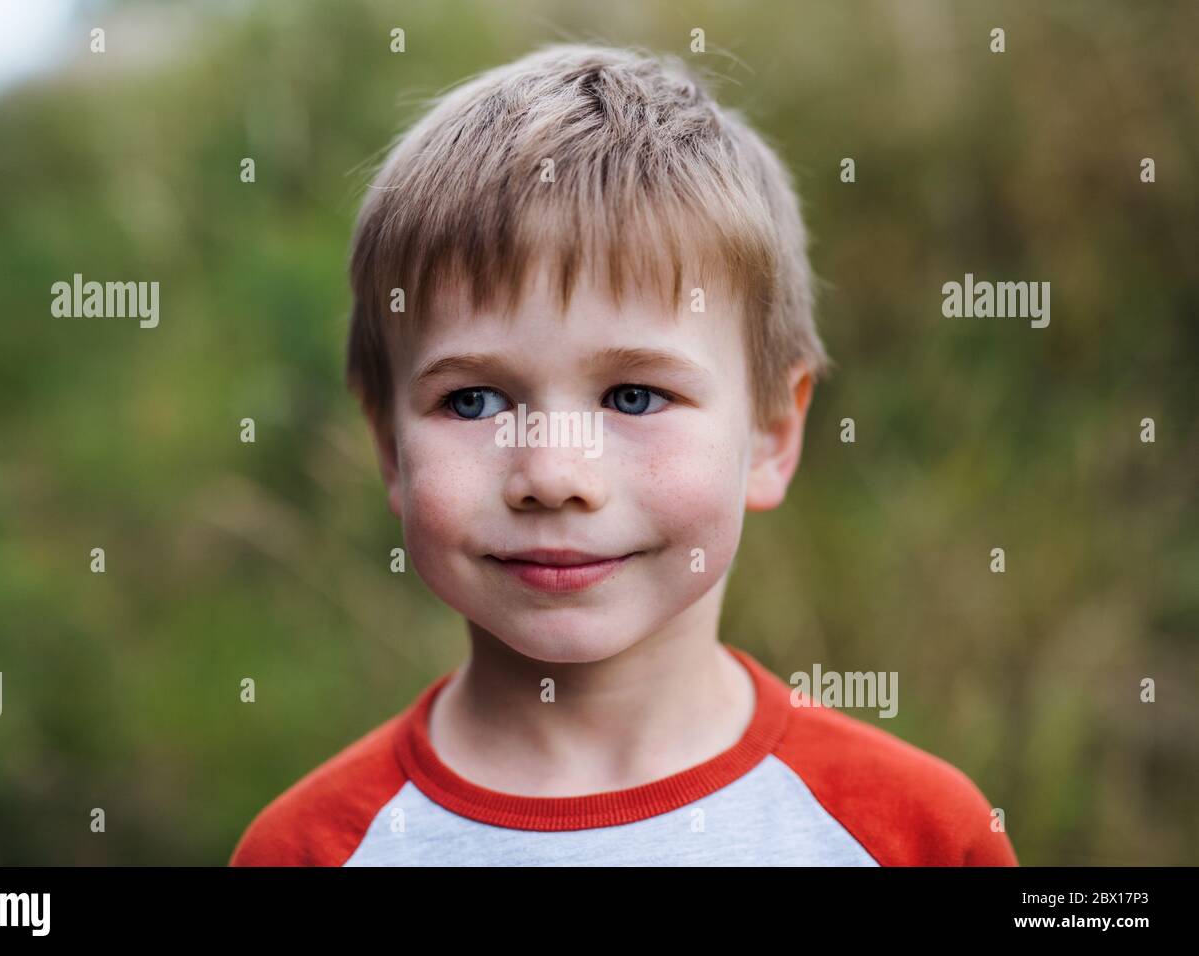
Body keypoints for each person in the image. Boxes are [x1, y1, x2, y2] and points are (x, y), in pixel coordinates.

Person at [229, 42, 1019, 866]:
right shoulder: (309, 850)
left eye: (633, 397)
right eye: (473, 400)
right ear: (391, 448)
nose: (553, 477)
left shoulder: (917, 834)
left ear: (771, 435)